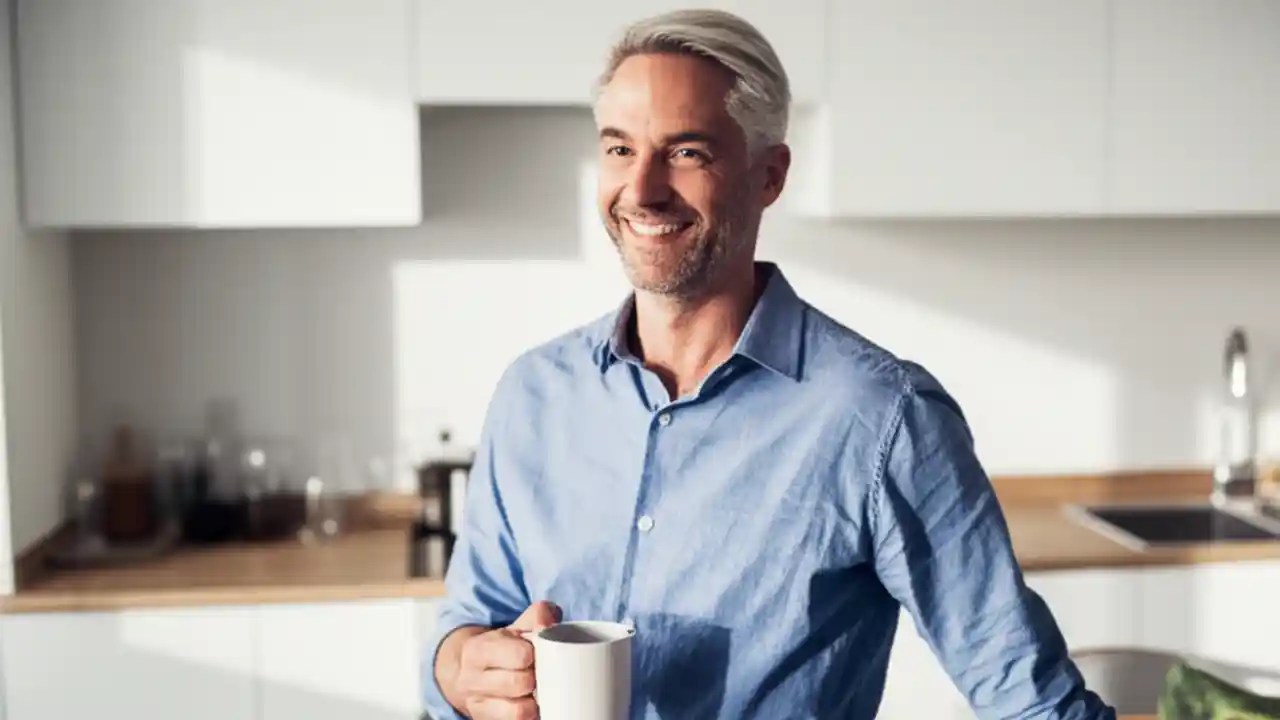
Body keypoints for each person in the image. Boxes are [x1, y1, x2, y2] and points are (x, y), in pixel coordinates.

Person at [423, 9, 1115, 720]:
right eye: (620, 150)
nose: (643, 189)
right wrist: (459, 669)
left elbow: (1033, 703)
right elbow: (466, 627)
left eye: (687, 152)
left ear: (770, 175)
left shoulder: (881, 419)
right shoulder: (533, 396)